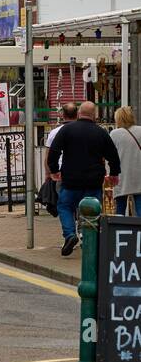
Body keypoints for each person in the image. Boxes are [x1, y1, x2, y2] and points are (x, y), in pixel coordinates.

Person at [47, 101, 120, 256]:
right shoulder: (101, 132)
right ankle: (89, 243)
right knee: (91, 212)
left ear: (79, 113)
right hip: (93, 180)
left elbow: (53, 151)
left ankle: (70, 235)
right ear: (94, 115)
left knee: (65, 206)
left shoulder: (67, 130)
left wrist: (54, 170)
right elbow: (113, 155)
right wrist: (114, 173)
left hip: (71, 180)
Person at [109, 106, 141, 217]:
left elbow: (110, 156)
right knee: (140, 208)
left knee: (120, 209)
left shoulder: (114, 134)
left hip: (121, 175)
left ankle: (119, 231)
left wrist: (110, 174)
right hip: (139, 175)